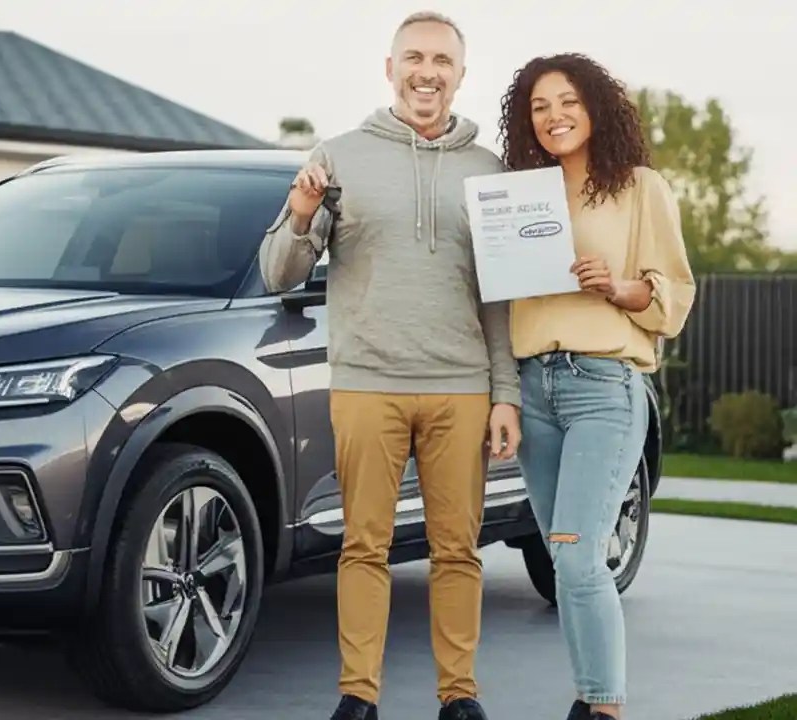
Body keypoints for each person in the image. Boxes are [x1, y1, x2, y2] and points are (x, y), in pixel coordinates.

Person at [259, 11, 521, 720]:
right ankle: (358, 696)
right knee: (364, 547)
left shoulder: (488, 169)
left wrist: (506, 392)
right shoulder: (338, 156)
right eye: (414, 57)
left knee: (457, 550)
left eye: (442, 60)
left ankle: (459, 696)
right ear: (390, 67)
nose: (427, 71)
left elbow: (498, 296)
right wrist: (301, 210)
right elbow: (279, 273)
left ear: (460, 74)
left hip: (461, 387)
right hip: (366, 385)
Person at [495, 53, 696, 720]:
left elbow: (674, 295)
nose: (554, 116)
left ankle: (605, 708)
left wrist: (617, 287)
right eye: (540, 107)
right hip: (534, 388)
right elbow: (496, 301)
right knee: (564, 562)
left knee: (581, 560)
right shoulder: (521, 192)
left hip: (604, 385)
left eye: (567, 101)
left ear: (596, 107)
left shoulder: (640, 188)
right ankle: (589, 700)